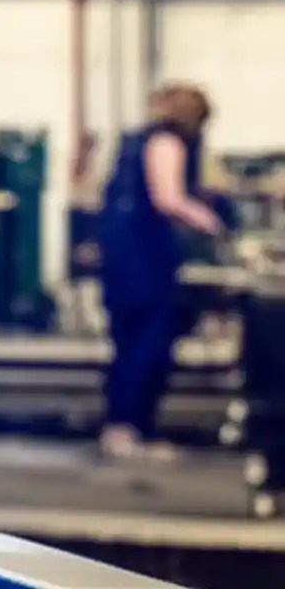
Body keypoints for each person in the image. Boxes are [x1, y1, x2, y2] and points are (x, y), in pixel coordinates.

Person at [98, 83, 220, 459]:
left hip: (123, 256)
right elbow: (168, 198)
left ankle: (124, 427)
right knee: (148, 341)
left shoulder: (134, 141)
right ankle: (130, 428)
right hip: (143, 259)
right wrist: (210, 222)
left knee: (129, 341)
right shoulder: (166, 141)